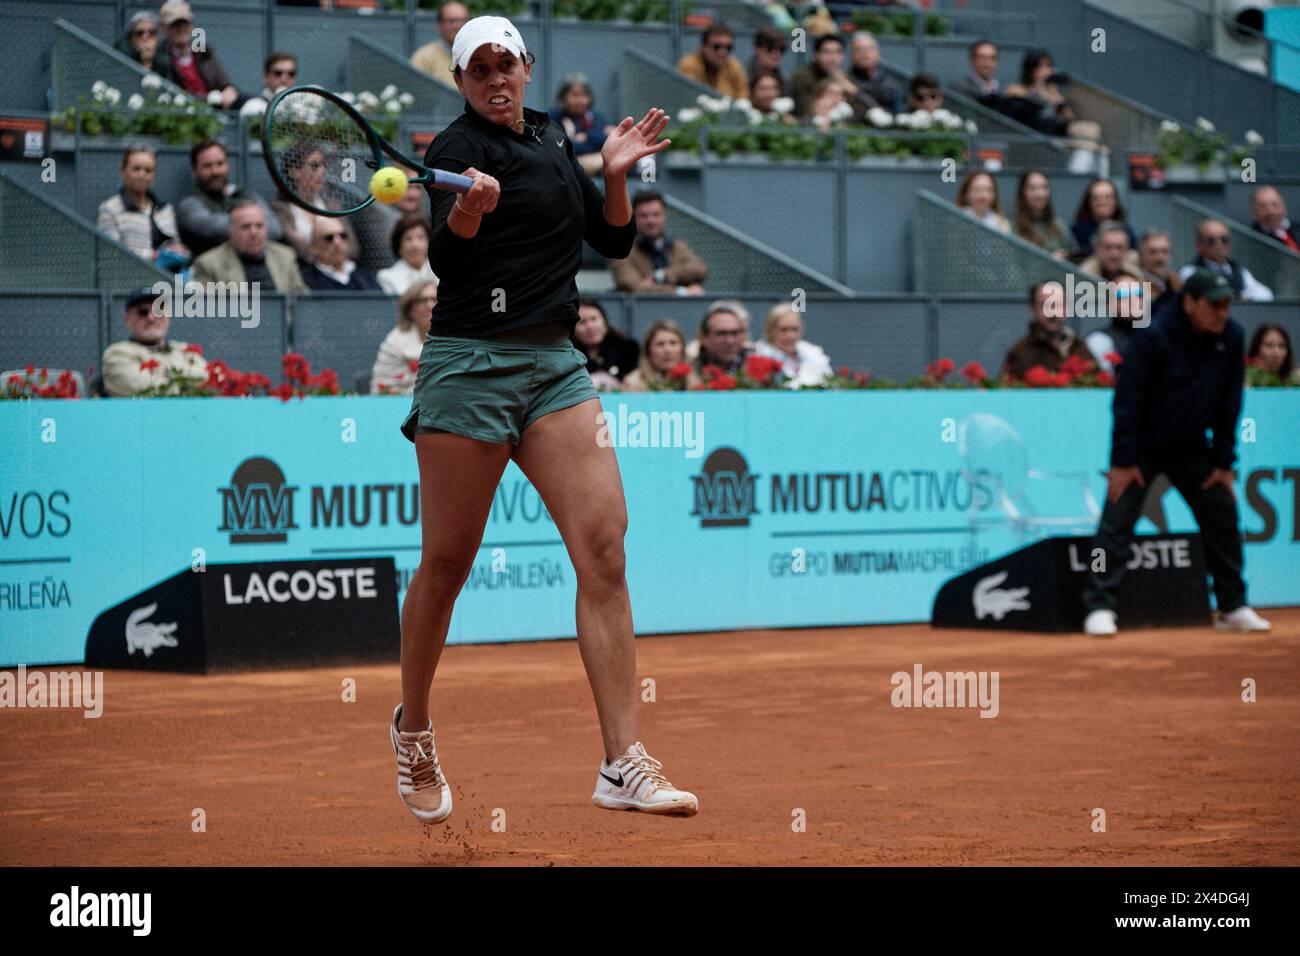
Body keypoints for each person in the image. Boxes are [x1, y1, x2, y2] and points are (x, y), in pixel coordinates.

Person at [392, 16, 698, 823]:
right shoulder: (454, 150)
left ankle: (620, 762)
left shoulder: (553, 134)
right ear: (460, 80)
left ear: (529, 67)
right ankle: (414, 728)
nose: (496, 79)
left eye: (507, 65)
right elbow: (448, 266)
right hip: (469, 365)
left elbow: (611, 238)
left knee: (604, 546)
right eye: (479, 69)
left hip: (555, 366)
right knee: (448, 563)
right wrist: (467, 213)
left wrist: (618, 173)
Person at [1081, 270, 1271, 636]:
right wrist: (1122, 461)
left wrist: (1223, 463)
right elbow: (1127, 400)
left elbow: (1230, 403)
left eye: (1227, 304)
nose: (1222, 312)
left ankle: (1233, 606)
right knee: (1114, 525)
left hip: (1192, 447)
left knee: (1222, 512)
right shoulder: (1152, 334)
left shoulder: (1231, 337)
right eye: (1213, 305)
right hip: (1142, 448)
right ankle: (1098, 606)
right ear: (1189, 303)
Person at [1002, 49, 1103, 173]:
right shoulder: (1017, 89)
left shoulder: (1052, 90)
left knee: (1093, 137)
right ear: (1030, 68)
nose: (1044, 70)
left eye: (1048, 66)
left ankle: (1076, 174)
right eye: (1040, 66)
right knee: (1088, 144)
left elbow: (1069, 118)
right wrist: (1037, 91)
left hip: (1057, 132)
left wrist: (1057, 100)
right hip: (1033, 135)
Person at [177, 140, 283, 257]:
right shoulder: (190, 205)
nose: (215, 171)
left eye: (220, 164)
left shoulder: (246, 195)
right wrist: (254, 224)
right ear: (194, 171)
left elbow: (275, 229)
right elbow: (211, 228)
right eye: (207, 166)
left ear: (227, 165)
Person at [101, 289, 208, 397]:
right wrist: (192, 383)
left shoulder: (185, 350)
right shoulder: (117, 353)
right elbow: (144, 390)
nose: (151, 318)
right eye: (143, 312)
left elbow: (213, 382)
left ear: (168, 316)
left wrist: (163, 374)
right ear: (127, 319)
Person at [96, 144, 188, 266]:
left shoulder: (165, 210)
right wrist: (154, 256)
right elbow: (109, 254)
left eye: (148, 170)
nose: (142, 174)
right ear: (123, 172)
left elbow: (175, 245)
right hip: (131, 280)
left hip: (166, 278)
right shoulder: (109, 209)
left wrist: (179, 252)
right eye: (136, 169)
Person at [190, 199, 308, 292]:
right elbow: (205, 313)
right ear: (231, 231)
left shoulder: (285, 256)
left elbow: (303, 303)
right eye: (246, 227)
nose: (254, 233)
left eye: (259, 226)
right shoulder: (209, 264)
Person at [610, 190, 707, 294]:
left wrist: (663, 275)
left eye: (656, 215)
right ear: (633, 217)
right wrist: (681, 291)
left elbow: (700, 269)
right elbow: (634, 287)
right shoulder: (621, 251)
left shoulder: (677, 246)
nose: (651, 221)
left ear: (664, 216)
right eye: (644, 216)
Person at [153, 1, 241, 110]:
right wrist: (207, 98)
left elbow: (222, 80)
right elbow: (172, 93)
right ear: (164, 28)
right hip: (186, 112)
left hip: (217, 107)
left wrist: (229, 88)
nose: (181, 29)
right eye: (175, 25)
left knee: (254, 104)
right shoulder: (160, 57)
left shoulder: (203, 51)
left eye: (185, 24)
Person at [1003, 281, 1096, 379]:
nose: (1052, 312)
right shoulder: (1020, 353)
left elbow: (1101, 385)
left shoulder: (1079, 347)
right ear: (1033, 309)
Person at [1177, 219, 1274, 303]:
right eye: (1211, 241)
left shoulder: (1238, 271)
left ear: (1230, 244)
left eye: (1224, 240)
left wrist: (1246, 297)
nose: (1219, 245)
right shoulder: (1190, 271)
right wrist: (1237, 297)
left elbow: (1265, 295)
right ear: (1198, 245)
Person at [372, 280, 437, 395]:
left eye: (435, 300)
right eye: (422, 300)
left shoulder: (456, 337)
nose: (429, 305)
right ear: (409, 309)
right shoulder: (394, 342)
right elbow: (382, 388)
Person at [548, 73, 615, 178]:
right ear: (563, 97)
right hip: (569, 167)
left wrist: (586, 137)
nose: (580, 100)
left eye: (584, 95)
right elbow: (565, 149)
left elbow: (608, 141)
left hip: (598, 160)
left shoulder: (596, 117)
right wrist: (595, 138)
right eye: (575, 95)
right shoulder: (555, 118)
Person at [790, 34, 868, 123]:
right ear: (816, 55)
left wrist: (854, 92)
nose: (833, 58)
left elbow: (864, 111)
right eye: (827, 52)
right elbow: (800, 111)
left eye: (838, 52)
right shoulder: (801, 77)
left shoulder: (846, 79)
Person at [753, 304, 832, 388]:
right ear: (769, 331)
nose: (790, 336)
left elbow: (831, 383)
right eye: (784, 330)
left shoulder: (813, 353)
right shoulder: (759, 355)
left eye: (795, 329)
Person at [1084, 277, 1148, 373]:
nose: (1132, 299)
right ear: (1109, 303)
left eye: (1138, 293)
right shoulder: (1099, 340)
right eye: (1122, 295)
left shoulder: (1158, 336)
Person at [571, 299, 639, 385]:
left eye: (594, 319)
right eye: (582, 322)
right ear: (573, 330)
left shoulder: (628, 348)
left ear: (605, 321)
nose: (590, 326)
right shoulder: (569, 355)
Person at [301, 219, 381, 291]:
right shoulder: (306, 281)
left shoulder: (366, 276)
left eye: (343, 236)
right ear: (314, 247)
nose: (337, 242)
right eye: (329, 238)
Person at [676, 23, 750, 101]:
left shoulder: (733, 66)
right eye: (716, 47)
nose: (722, 53)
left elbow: (743, 98)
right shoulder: (689, 65)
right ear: (703, 47)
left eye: (728, 48)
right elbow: (687, 97)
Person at [1011, 169, 1074, 259]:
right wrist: (1050, 261)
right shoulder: (1012, 227)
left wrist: (1065, 263)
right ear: (1023, 193)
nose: (1040, 193)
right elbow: (1013, 267)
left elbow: (1073, 266)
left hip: (1059, 273)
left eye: (1044, 187)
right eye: (1033, 188)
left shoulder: (1058, 224)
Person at [410, 1, 469, 89]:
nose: (457, 26)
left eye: (462, 21)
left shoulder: (476, 55)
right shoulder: (424, 58)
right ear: (439, 24)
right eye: (452, 21)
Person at [1071, 178, 1137, 255]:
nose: (1102, 202)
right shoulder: (1078, 230)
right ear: (1088, 202)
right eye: (1096, 198)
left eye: (1107, 197)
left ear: (1115, 202)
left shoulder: (1126, 231)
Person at [622, 319, 691, 391]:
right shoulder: (633, 383)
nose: (668, 350)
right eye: (660, 344)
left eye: (673, 343)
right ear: (648, 350)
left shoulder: (695, 382)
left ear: (682, 348)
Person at [377, 215, 437, 296]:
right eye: (408, 239)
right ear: (399, 246)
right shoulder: (387, 277)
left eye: (420, 237)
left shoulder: (442, 272)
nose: (415, 245)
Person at [693, 302, 753, 376]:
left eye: (735, 333)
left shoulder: (757, 371)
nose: (730, 341)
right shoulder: (690, 373)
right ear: (703, 337)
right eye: (721, 334)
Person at [849, 33, 900, 115]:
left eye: (869, 49)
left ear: (878, 53)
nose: (865, 54)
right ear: (852, 55)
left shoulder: (893, 83)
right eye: (859, 49)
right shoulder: (845, 82)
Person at [116, 11, 173, 81]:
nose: (146, 36)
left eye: (151, 32)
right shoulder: (121, 56)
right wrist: (146, 63)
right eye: (140, 33)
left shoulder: (165, 56)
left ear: (156, 37)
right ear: (131, 38)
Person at [239, 52, 299, 119]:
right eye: (278, 73)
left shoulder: (302, 107)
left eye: (291, 73)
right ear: (265, 77)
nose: (284, 79)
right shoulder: (253, 106)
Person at [1080, 221, 1145, 282]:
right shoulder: (1085, 275)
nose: (1114, 254)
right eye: (1108, 247)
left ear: (1127, 250)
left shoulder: (1135, 275)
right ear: (1097, 249)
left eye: (1120, 248)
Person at [1135, 229, 1182, 307]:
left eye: (1165, 251)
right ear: (1141, 255)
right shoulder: (1135, 285)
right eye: (1152, 252)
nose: (1160, 258)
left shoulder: (1177, 282)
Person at [1249, 185, 1300, 251]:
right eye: (1263, 207)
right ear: (1254, 213)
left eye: (1275, 204)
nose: (1271, 211)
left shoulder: (1297, 228)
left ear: (1284, 207)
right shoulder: (1252, 238)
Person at [957, 39, 1001, 106]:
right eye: (982, 57)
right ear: (972, 60)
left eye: (993, 58)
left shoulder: (1002, 91)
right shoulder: (959, 89)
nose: (987, 63)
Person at [749, 26, 789, 95]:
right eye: (770, 48)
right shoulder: (742, 76)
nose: (777, 54)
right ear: (757, 48)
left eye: (782, 49)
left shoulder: (785, 80)